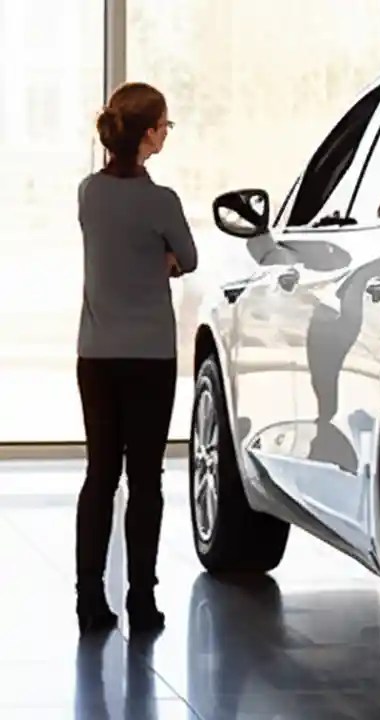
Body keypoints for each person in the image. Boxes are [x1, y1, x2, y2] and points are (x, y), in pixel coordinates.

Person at [75, 82, 197, 634]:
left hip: (96, 355)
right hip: (149, 356)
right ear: (149, 134)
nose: (167, 132)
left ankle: (89, 600)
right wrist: (163, 261)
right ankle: (142, 602)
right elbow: (188, 257)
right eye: (165, 125)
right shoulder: (161, 201)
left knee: (100, 474)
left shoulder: (88, 193)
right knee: (145, 479)